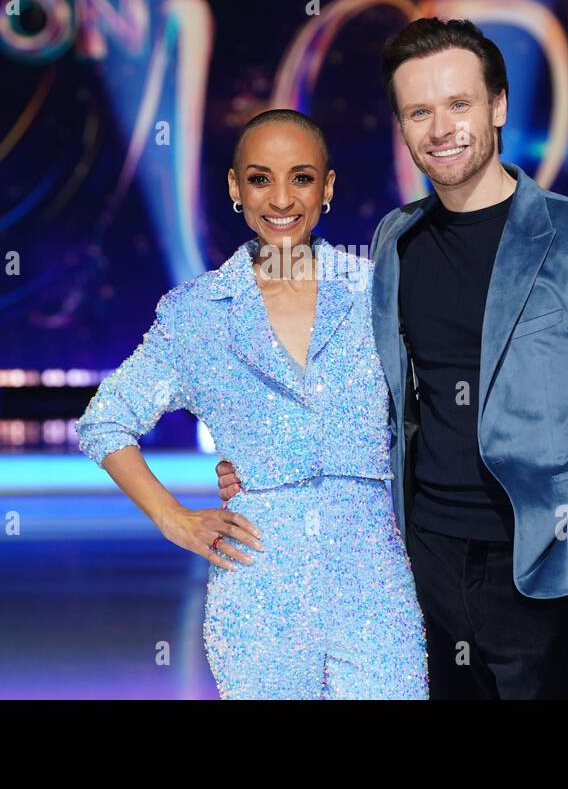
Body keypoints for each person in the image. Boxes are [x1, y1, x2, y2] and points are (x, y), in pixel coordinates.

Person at [217, 18, 568, 699]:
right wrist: (265, 463)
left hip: (546, 575)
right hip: (423, 572)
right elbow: (372, 394)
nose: (440, 128)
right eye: (419, 111)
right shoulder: (397, 240)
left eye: (458, 104)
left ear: (498, 107)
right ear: (401, 126)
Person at [75, 108, 427, 699]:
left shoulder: (380, 291)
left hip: (376, 583)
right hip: (259, 590)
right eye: (261, 178)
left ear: (328, 188)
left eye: (302, 177)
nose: (282, 198)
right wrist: (175, 519)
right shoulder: (199, 313)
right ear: (235, 188)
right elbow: (104, 423)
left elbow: (440, 407)